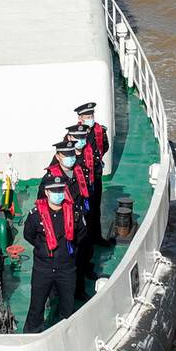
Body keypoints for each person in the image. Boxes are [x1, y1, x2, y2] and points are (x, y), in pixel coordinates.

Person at [23, 177, 87, 332]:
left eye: (60, 190)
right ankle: (31, 334)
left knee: (67, 306)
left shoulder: (74, 212)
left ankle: (65, 335)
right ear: (46, 192)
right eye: (54, 191)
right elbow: (29, 235)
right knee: (36, 306)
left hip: (66, 268)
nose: (58, 194)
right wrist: (43, 249)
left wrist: (67, 251)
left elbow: (80, 234)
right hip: (43, 268)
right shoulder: (35, 215)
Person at [39, 135, 94, 299]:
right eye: (66, 154)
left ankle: (79, 289)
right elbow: (42, 204)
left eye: (72, 153)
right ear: (58, 157)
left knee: (81, 255)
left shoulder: (78, 170)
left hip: (77, 221)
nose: (70, 158)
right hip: (59, 225)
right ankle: (55, 295)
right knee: (61, 262)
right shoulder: (50, 180)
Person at [74, 101, 114, 248]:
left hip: (96, 176)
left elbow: (105, 147)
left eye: (92, 115)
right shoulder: (76, 135)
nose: (91, 118)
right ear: (80, 119)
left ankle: (97, 237)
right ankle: (85, 242)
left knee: (96, 207)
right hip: (81, 181)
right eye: (87, 116)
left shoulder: (99, 131)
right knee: (84, 211)